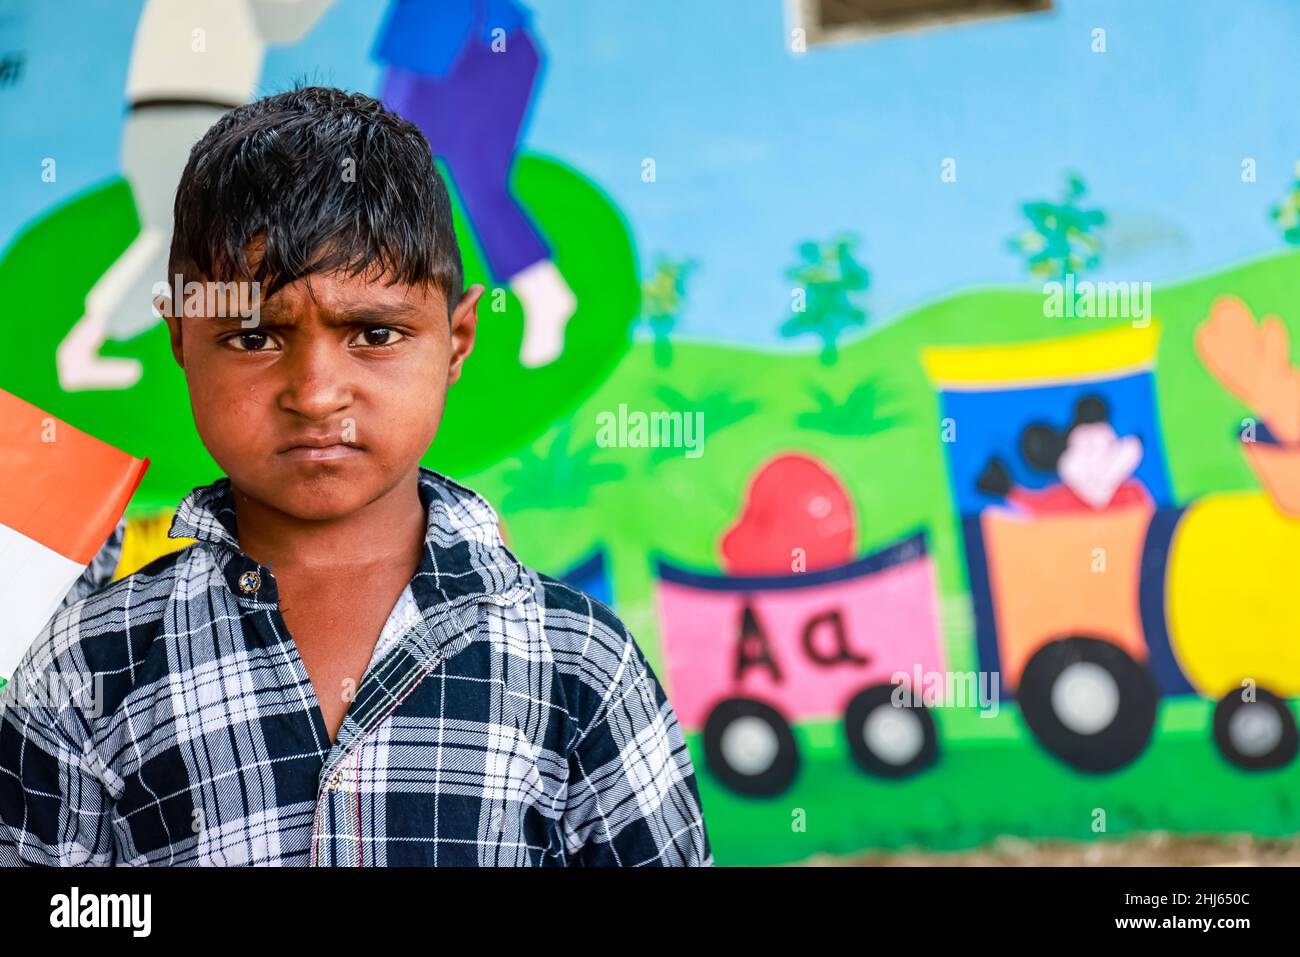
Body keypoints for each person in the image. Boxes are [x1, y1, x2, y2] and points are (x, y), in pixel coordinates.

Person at [0, 87, 712, 867]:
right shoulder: (87, 660)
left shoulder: (578, 660)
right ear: (179, 339)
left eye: (375, 333)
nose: (314, 391)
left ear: (457, 339)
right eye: (252, 336)